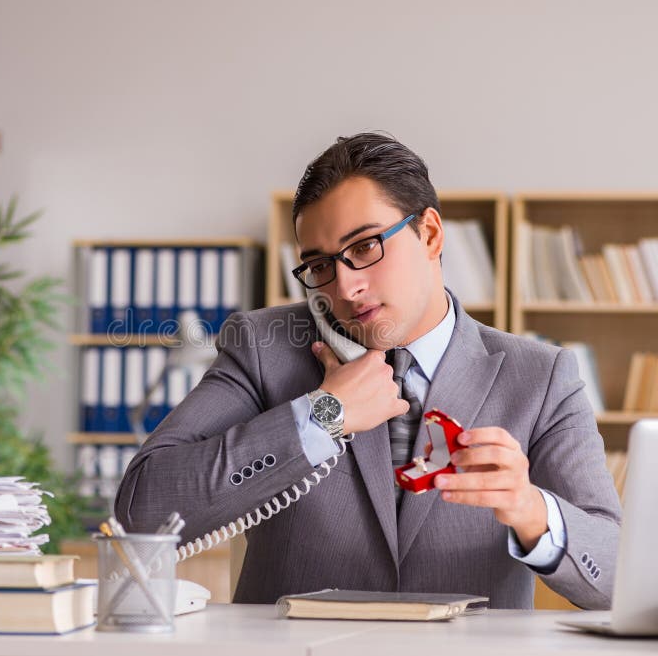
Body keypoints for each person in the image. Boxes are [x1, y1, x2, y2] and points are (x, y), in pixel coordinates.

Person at [115, 132, 621, 609]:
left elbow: (617, 574)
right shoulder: (264, 347)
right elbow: (141, 510)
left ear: (429, 233)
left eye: (364, 247)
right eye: (320, 265)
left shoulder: (541, 375)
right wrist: (320, 416)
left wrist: (533, 510)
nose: (345, 288)